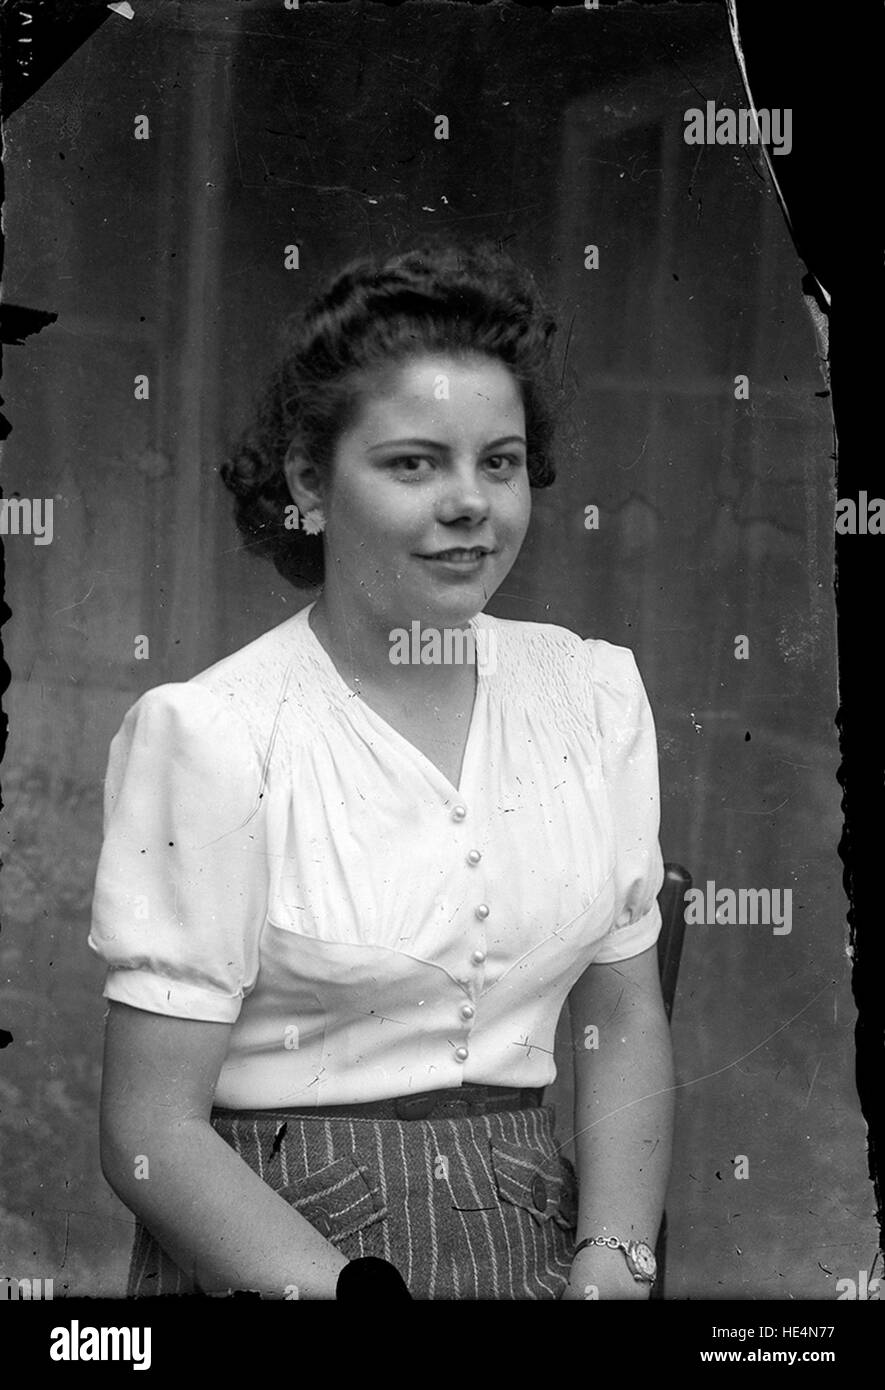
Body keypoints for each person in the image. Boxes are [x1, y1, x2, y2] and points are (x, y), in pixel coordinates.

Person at [90, 240, 675, 1301]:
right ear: (310, 482)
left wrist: (613, 1262)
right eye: (414, 463)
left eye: (497, 461)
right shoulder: (216, 734)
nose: (470, 504)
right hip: (280, 1251)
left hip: (533, 1231)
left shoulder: (591, 697)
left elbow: (623, 1013)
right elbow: (150, 1131)